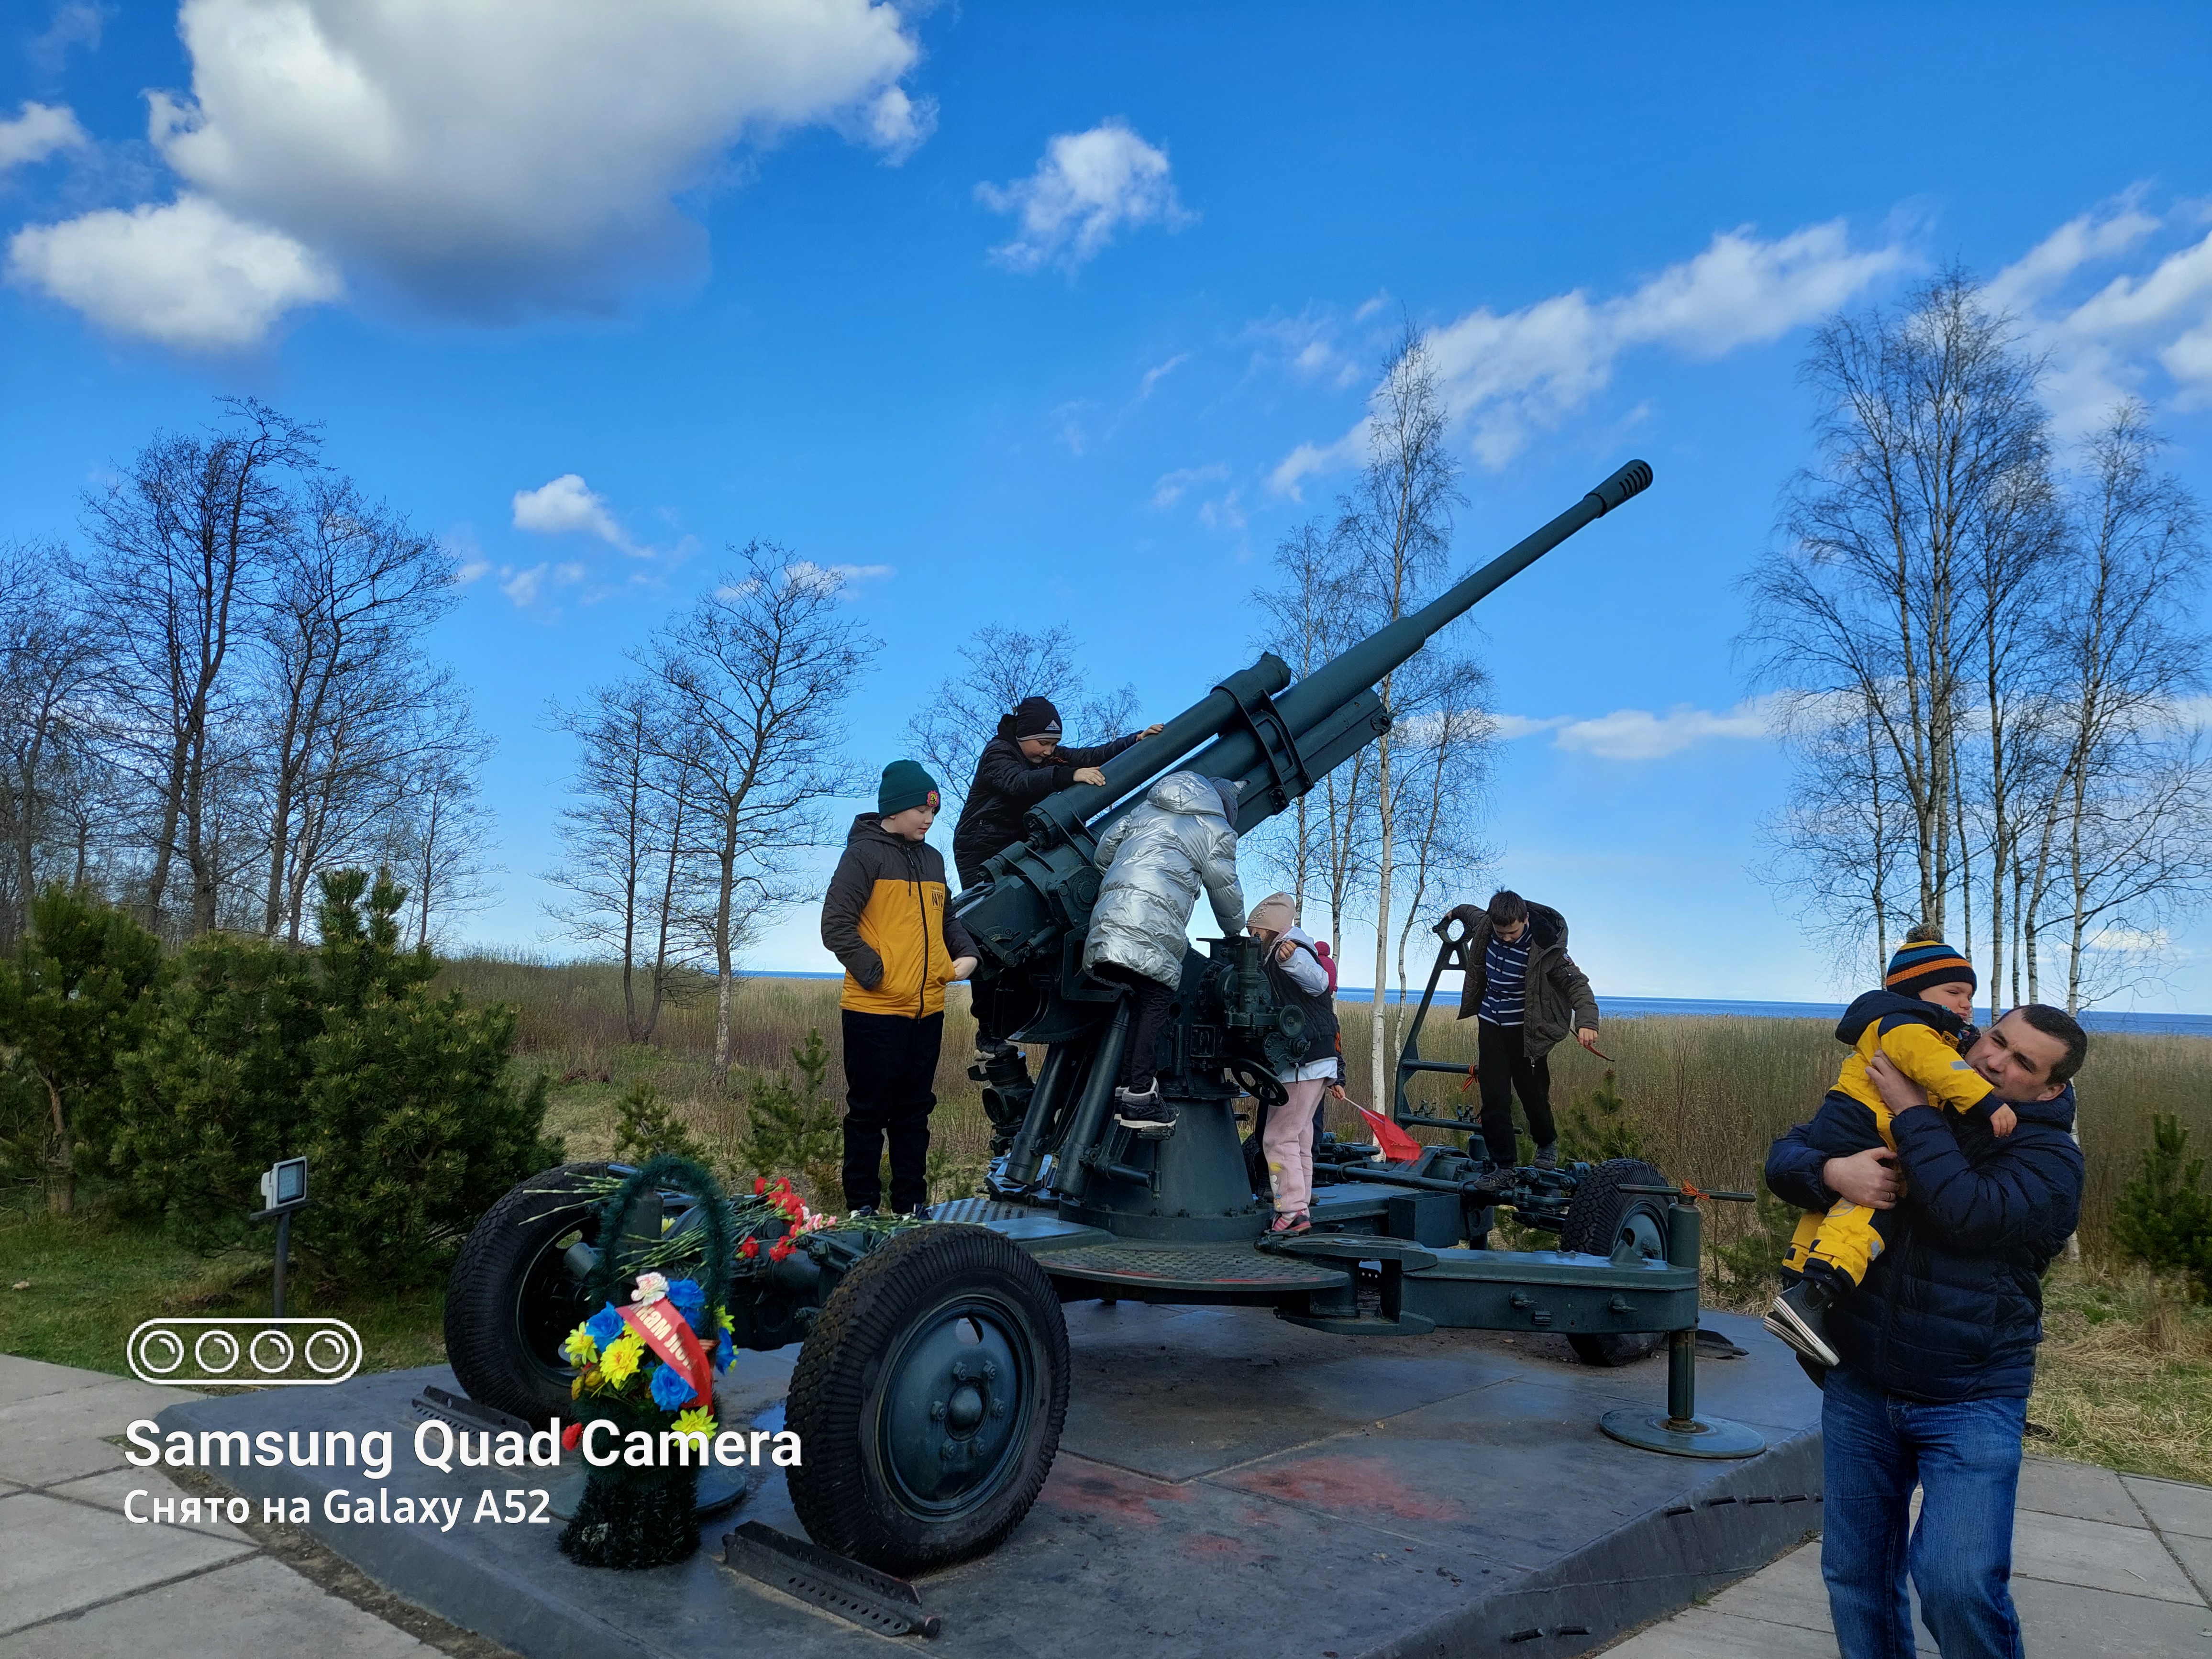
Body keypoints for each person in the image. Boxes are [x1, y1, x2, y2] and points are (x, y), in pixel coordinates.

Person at [1765, 1003, 2085, 1659]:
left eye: (2024, 1062)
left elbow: (1964, 1212)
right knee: (1857, 1579)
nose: (1995, 1060)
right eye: (1998, 1040)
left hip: (1969, 1397)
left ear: (2052, 1089)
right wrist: (1831, 1173)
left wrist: (1910, 1110)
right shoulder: (1936, 1081)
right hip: (1862, 1382)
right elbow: (1790, 1153)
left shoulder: (2051, 1159)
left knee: (1956, 1583)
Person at [1765, 925, 2019, 1370]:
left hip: (1846, 1124)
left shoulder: (1901, 1024)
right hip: (1863, 1127)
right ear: (1915, 992)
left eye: (1970, 996)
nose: (1966, 1004)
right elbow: (1937, 1067)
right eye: (1954, 991)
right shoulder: (1906, 1025)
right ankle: (1815, 1293)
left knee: (1838, 1207)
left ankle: (1797, 1276)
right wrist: (1985, 1101)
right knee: (1880, 1200)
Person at [952, 695, 1163, 1087]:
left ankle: (1025, 1018)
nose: (1048, 752)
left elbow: (1086, 756)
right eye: (1043, 744)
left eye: (1052, 745)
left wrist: (1134, 741)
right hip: (981, 848)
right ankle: (990, 1033)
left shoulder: (1044, 756)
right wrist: (1070, 778)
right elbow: (1019, 785)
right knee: (993, 937)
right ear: (1022, 736)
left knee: (1026, 943)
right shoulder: (1000, 753)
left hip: (1018, 848)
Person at [819, 760, 978, 1218]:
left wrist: (964, 955)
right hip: (874, 1011)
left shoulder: (932, 858)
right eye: (920, 812)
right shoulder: (864, 855)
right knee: (869, 1113)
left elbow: (947, 918)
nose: (929, 820)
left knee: (915, 1113)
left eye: (934, 813)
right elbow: (836, 926)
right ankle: (862, 1209)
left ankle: (911, 1206)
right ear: (894, 810)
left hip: (928, 1010)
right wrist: (878, 973)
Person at [1080, 771, 1247, 1139]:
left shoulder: (1149, 807)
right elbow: (1224, 887)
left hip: (1110, 916)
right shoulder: (1215, 828)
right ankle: (1140, 1095)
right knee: (1156, 997)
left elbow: (1105, 850)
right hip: (1151, 921)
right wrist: (1236, 933)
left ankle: (1128, 1090)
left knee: (1141, 995)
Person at [1443, 890, 1601, 1171]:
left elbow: (1577, 984)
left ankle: (1546, 1144)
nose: (1506, 938)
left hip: (1528, 1032)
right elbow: (1470, 911)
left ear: (1525, 919)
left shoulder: (1546, 947)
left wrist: (1587, 1022)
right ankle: (1502, 1167)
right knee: (1494, 1099)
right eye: (1501, 932)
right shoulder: (1486, 927)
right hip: (1491, 1025)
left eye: (1513, 933)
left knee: (1534, 1096)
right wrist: (1454, 913)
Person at [1247, 892, 1339, 1235]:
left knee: (1277, 1139)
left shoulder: (1292, 952)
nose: (1252, 939)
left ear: (1269, 929)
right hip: (1315, 1059)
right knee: (1299, 1137)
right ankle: (1301, 1203)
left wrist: (1291, 961)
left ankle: (1292, 1212)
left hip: (1304, 1061)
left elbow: (1320, 984)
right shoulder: (1280, 951)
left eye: (1255, 932)